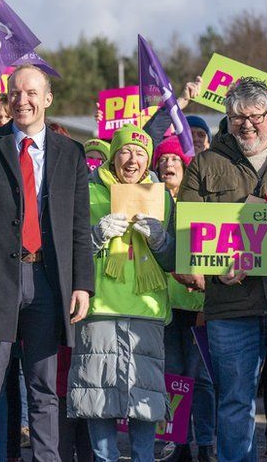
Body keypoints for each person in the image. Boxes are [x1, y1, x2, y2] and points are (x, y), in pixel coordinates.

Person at [0, 64, 94, 461]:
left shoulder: (71, 153)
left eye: (32, 92)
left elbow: (79, 226)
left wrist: (82, 284)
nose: (23, 100)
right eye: (15, 93)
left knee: (44, 390)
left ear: (47, 99)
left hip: (49, 283)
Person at [178, 77, 267, 462]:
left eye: (255, 116)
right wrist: (215, 268)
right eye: (237, 117)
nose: (247, 124)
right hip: (232, 306)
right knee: (235, 405)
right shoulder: (205, 164)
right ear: (227, 116)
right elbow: (184, 231)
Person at [67, 125, 176, 462]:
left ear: (148, 162)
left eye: (141, 153)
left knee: (146, 401)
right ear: (113, 156)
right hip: (99, 308)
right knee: (97, 399)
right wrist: (95, 236)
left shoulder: (163, 198)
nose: (133, 159)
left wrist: (161, 240)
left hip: (147, 310)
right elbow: (68, 252)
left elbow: (174, 260)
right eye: (126, 151)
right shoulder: (86, 192)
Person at [151, 137, 216, 462]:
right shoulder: (152, 203)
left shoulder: (199, 202)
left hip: (199, 305)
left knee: (201, 379)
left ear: (185, 165)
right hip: (167, 306)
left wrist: (207, 301)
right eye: (162, 161)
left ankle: (205, 445)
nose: (168, 166)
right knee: (173, 379)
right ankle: (178, 444)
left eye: (174, 160)